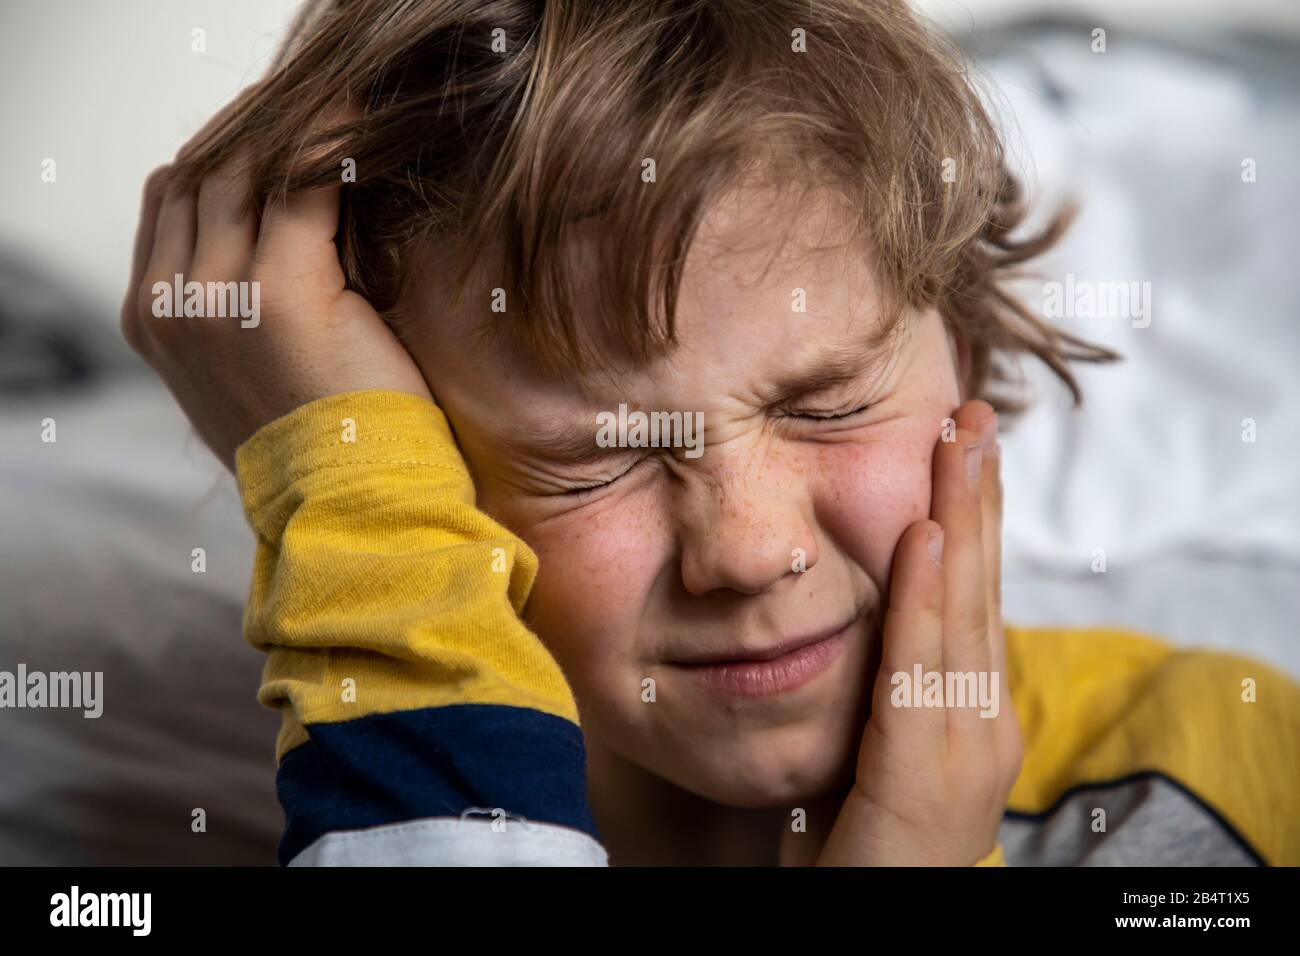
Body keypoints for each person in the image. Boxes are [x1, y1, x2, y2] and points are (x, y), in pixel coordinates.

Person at [122, 0, 1299, 866]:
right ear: (396, 463)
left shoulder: (1207, 776)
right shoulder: (344, 782)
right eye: (593, 454)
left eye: (826, 403)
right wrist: (344, 494)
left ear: (971, 356)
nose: (746, 549)